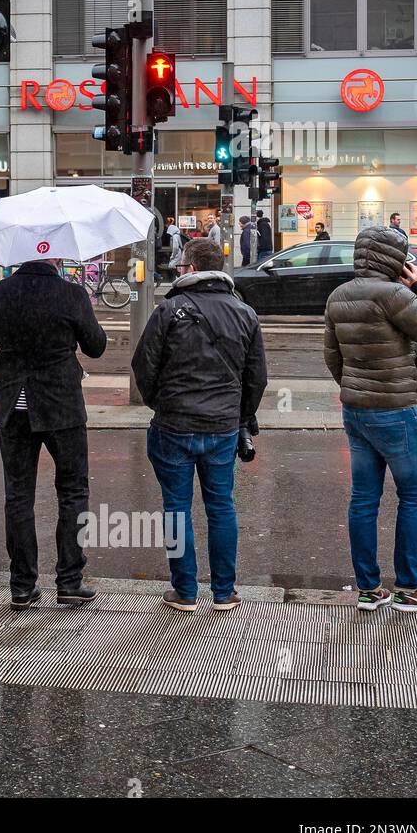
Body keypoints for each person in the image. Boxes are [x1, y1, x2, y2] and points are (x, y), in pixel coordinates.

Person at [131, 239, 267, 612]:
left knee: (176, 508)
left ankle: (185, 591)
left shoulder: (169, 310)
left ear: (190, 268)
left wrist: (160, 403)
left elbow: (143, 366)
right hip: (222, 427)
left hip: (173, 425)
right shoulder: (244, 312)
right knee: (221, 506)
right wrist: (239, 415)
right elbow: (257, 378)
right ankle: (224, 592)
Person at [0, 256, 107, 609]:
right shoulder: (70, 293)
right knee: (73, 492)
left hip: (17, 408)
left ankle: (22, 586)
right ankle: (70, 582)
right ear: (54, 256)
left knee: (18, 496)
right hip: (62, 407)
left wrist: (8, 375)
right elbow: (96, 346)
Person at [324, 227, 417, 612]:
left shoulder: (338, 296)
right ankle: (409, 589)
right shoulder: (395, 294)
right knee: (412, 498)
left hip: (356, 411)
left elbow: (332, 356)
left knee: (363, 500)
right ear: (394, 258)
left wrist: (355, 387)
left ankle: (369, 589)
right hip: (397, 411)